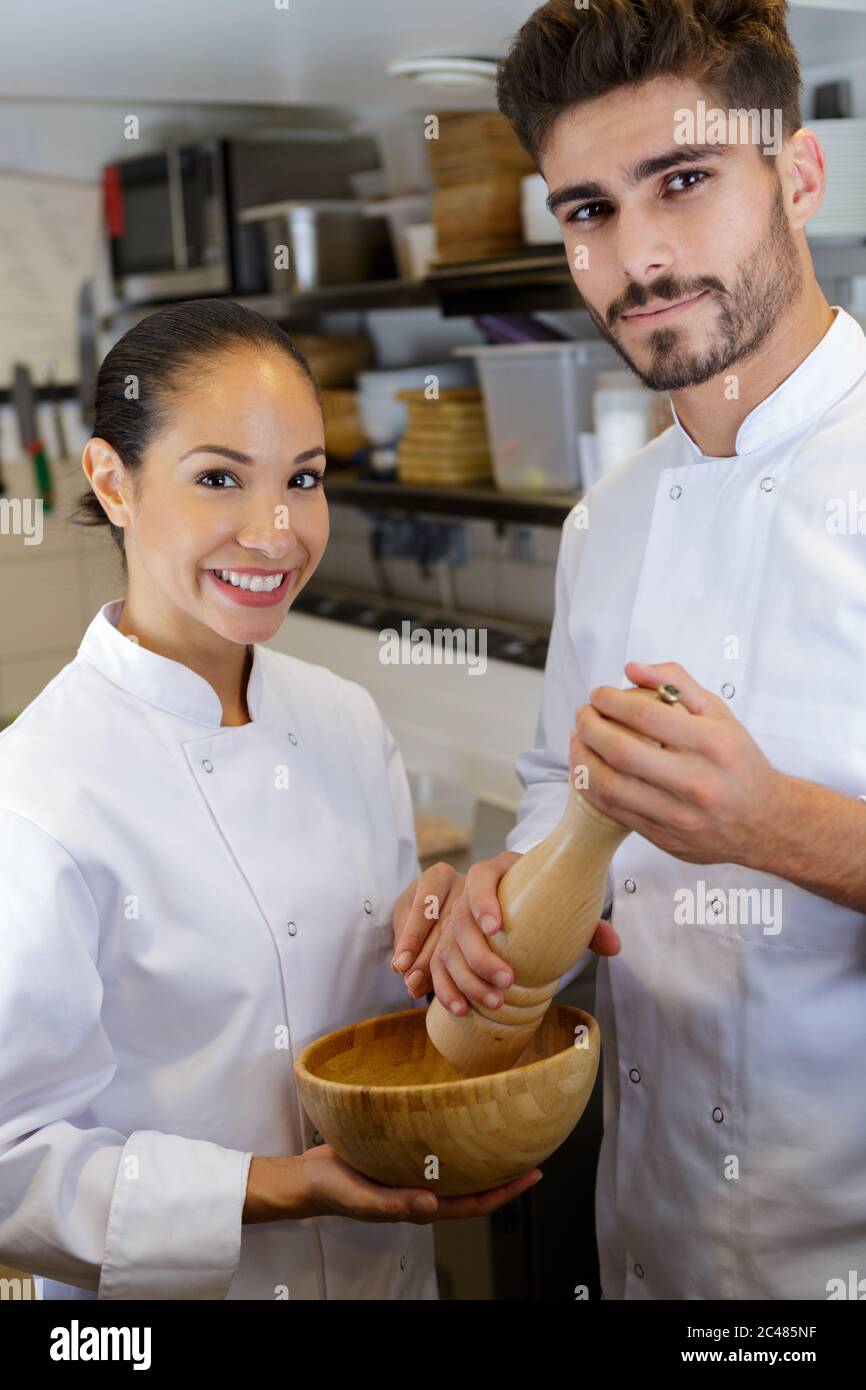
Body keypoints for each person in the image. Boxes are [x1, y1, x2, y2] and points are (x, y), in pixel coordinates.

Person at [392, 0, 866, 1300]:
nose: (639, 255)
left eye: (684, 181)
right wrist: (498, 899)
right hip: (646, 1230)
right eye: (588, 209)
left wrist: (774, 826)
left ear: (799, 174)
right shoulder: (604, 517)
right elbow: (565, 788)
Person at [0, 299, 541, 1301]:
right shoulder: (36, 792)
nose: (276, 530)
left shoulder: (339, 719)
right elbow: (11, 1166)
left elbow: (371, 1024)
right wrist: (281, 1187)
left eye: (302, 478)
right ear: (111, 480)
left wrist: (435, 940)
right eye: (218, 478)